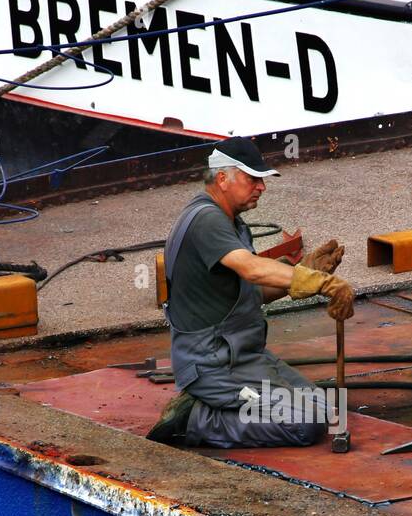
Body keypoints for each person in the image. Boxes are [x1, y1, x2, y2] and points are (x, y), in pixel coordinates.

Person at [148, 136, 354, 447]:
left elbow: (252, 292)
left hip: (243, 358)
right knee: (305, 424)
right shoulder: (206, 220)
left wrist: (309, 272)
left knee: (326, 410)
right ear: (222, 178)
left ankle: (213, 407)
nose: (261, 186)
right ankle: (196, 420)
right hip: (212, 365)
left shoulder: (233, 224)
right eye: (252, 178)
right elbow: (251, 268)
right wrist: (319, 283)